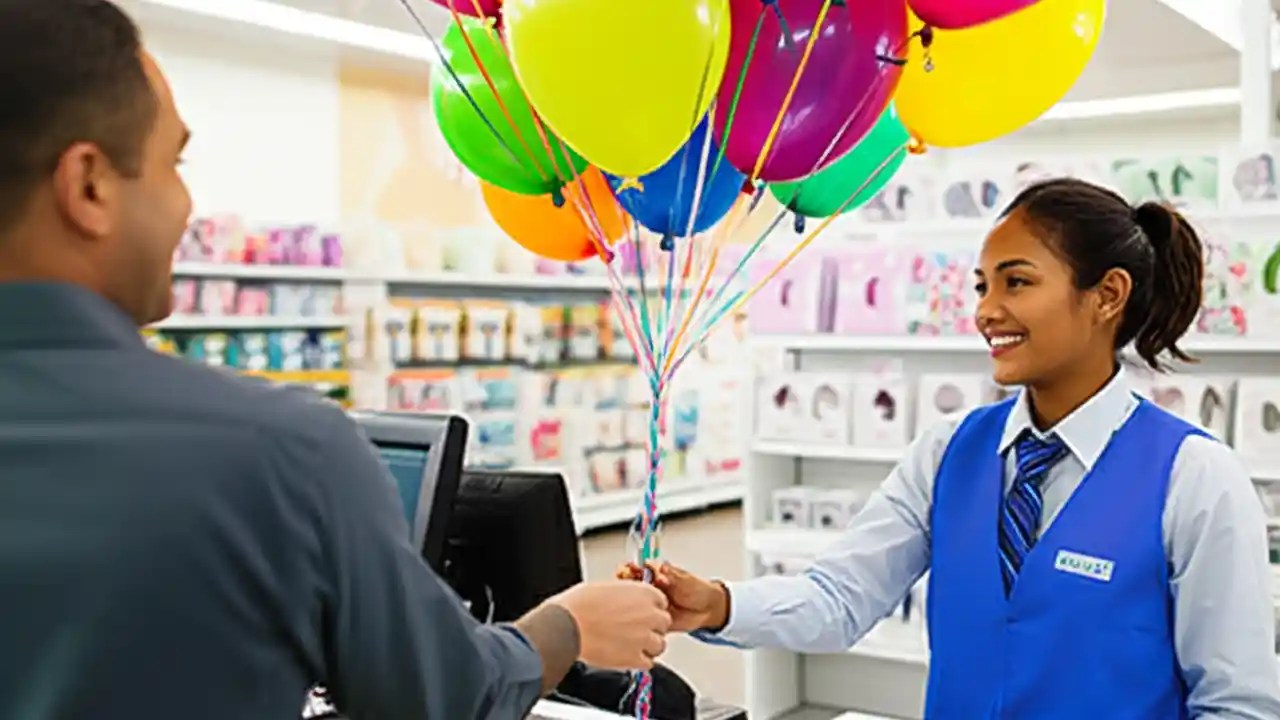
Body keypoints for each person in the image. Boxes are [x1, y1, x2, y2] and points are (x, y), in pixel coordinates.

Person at [0, 2, 670, 719]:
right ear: (89, 186)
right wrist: (567, 626)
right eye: (174, 161)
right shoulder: (273, 453)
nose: (186, 203)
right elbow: (443, 693)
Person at [624, 178, 1280, 718]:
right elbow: (842, 598)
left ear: (1107, 295)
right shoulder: (949, 452)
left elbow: (1237, 704)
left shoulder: (1193, 477)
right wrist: (717, 603)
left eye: (1016, 282)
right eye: (981, 286)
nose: (986, 311)